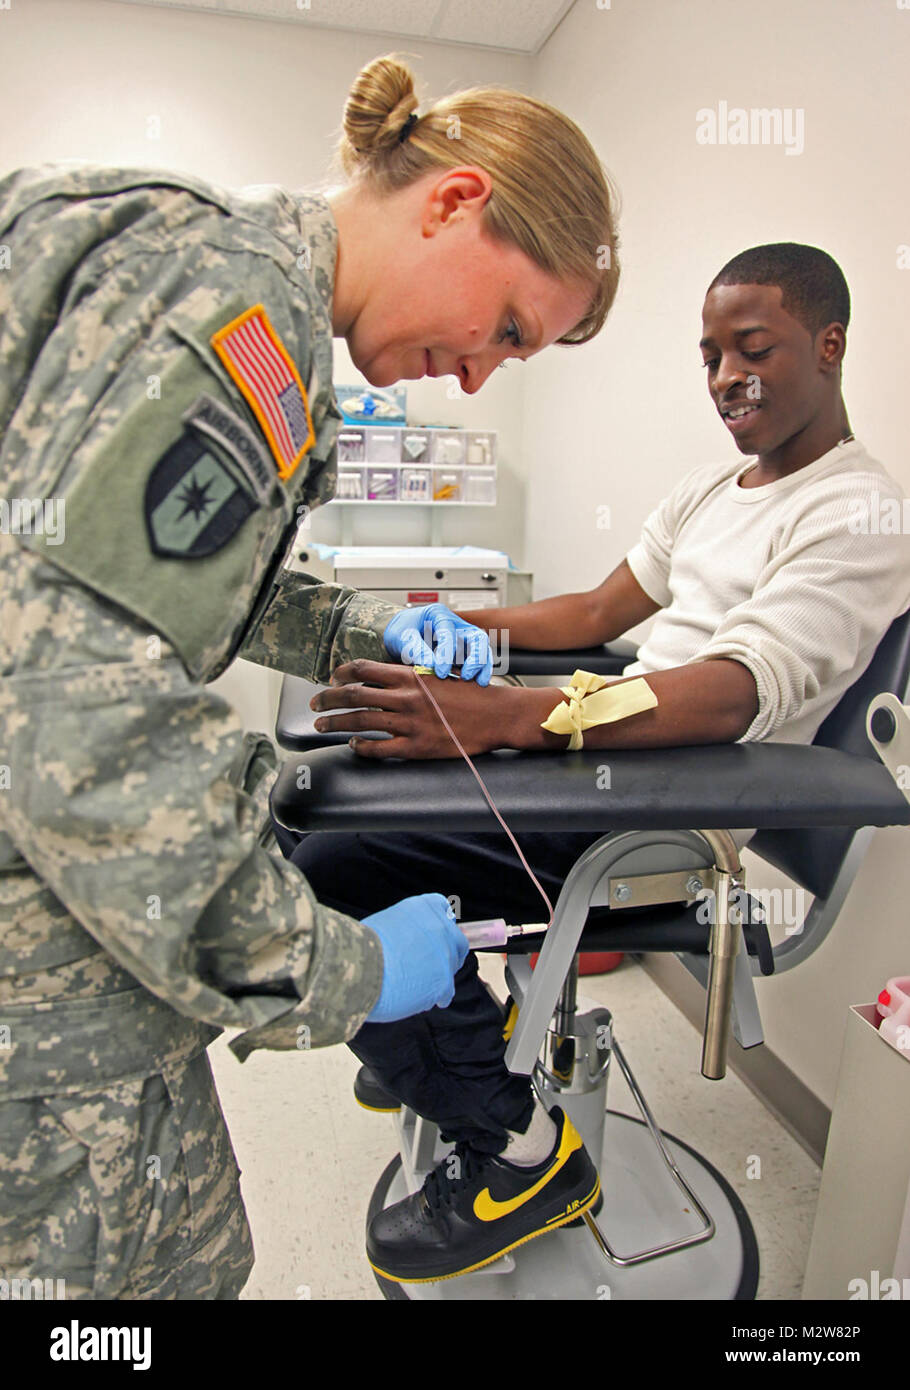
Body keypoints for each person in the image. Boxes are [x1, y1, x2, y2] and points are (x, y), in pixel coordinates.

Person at [0, 55, 620, 1298]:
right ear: (453, 203)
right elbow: (81, 719)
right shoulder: (235, 307)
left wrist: (366, 631)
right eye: (505, 325)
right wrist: (341, 968)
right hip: (44, 1013)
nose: (482, 372)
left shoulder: (218, 277)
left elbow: (156, 577)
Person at [279, 243, 910, 1285]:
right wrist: (433, 622)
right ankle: (444, 1037)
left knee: (334, 873)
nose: (723, 381)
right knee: (318, 799)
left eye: (750, 350)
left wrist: (509, 717)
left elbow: (733, 689)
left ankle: (524, 1152)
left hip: (677, 800)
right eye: (707, 356)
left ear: (829, 345)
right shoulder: (715, 485)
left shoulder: (860, 514)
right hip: (604, 754)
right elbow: (593, 613)